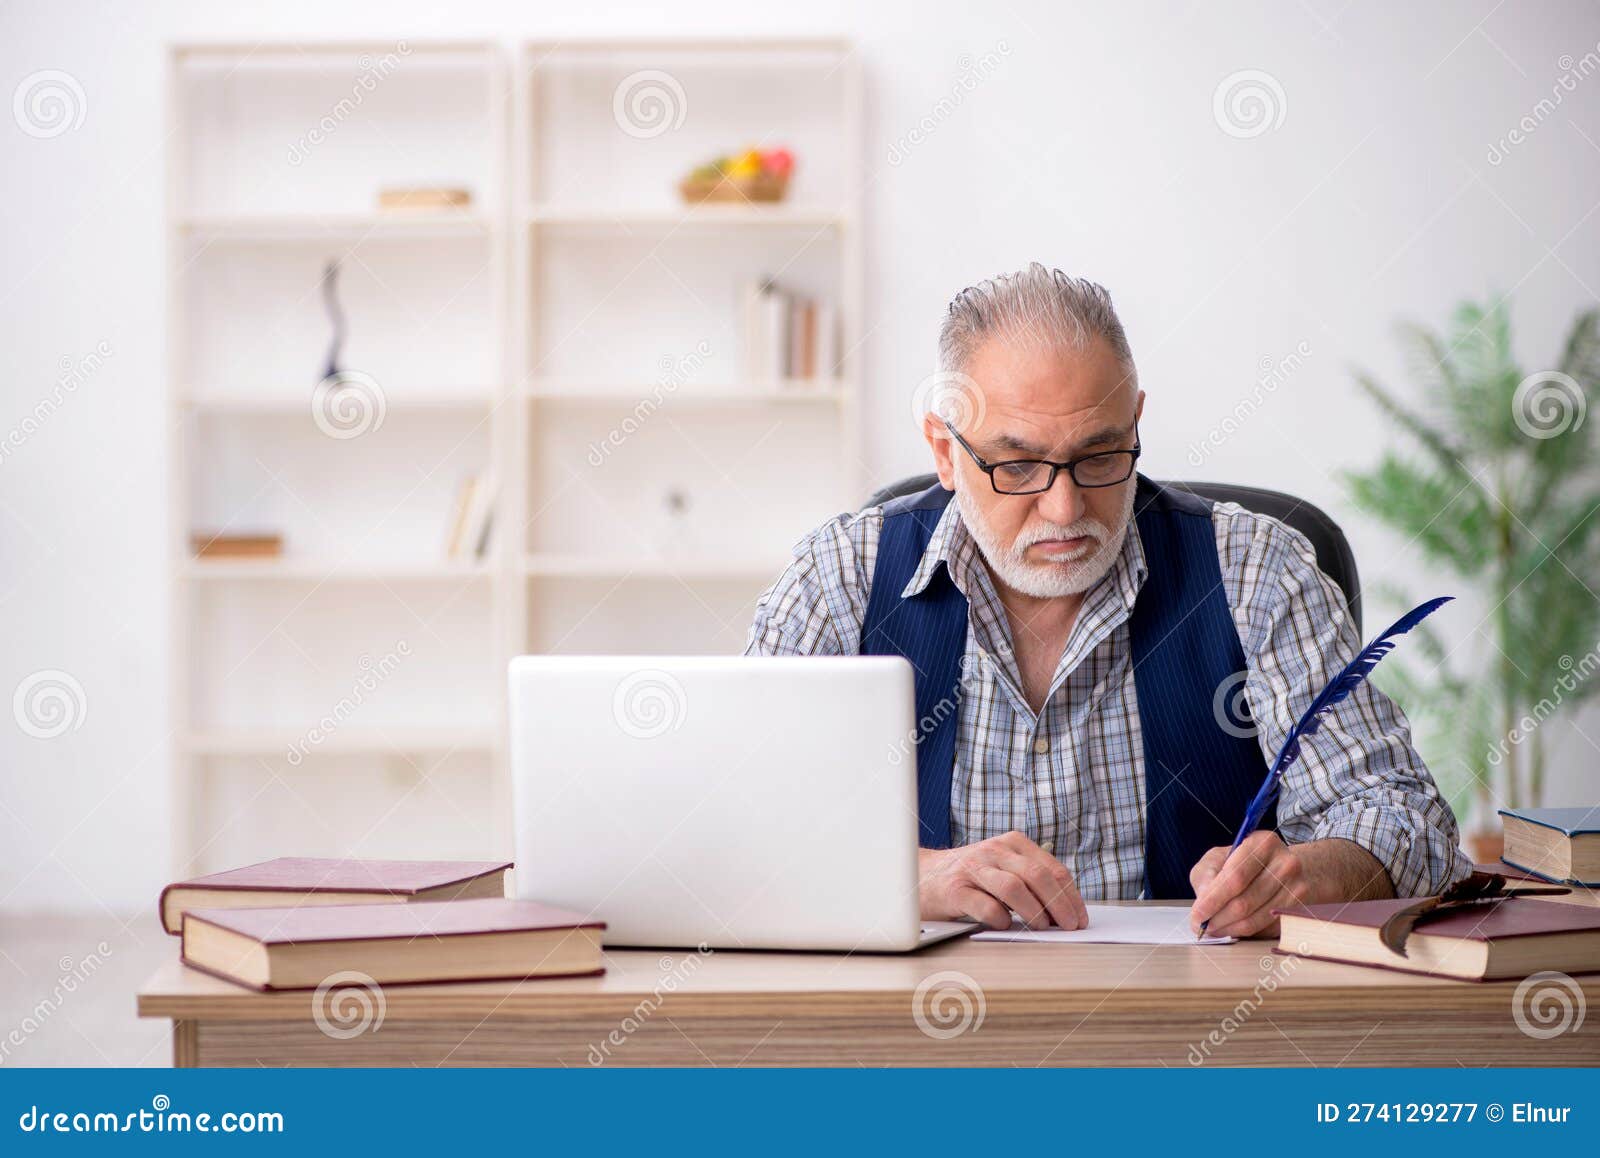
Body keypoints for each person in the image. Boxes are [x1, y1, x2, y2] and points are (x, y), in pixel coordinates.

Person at [745, 263, 1470, 938]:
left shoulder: (1259, 572)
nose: (1064, 509)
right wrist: (910, 878)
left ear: (1136, 423)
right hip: (915, 1035)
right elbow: (734, 824)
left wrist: (1306, 875)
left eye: (1098, 456)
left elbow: (1407, 819)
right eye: (1018, 464)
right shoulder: (840, 578)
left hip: (1195, 1031)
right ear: (944, 450)